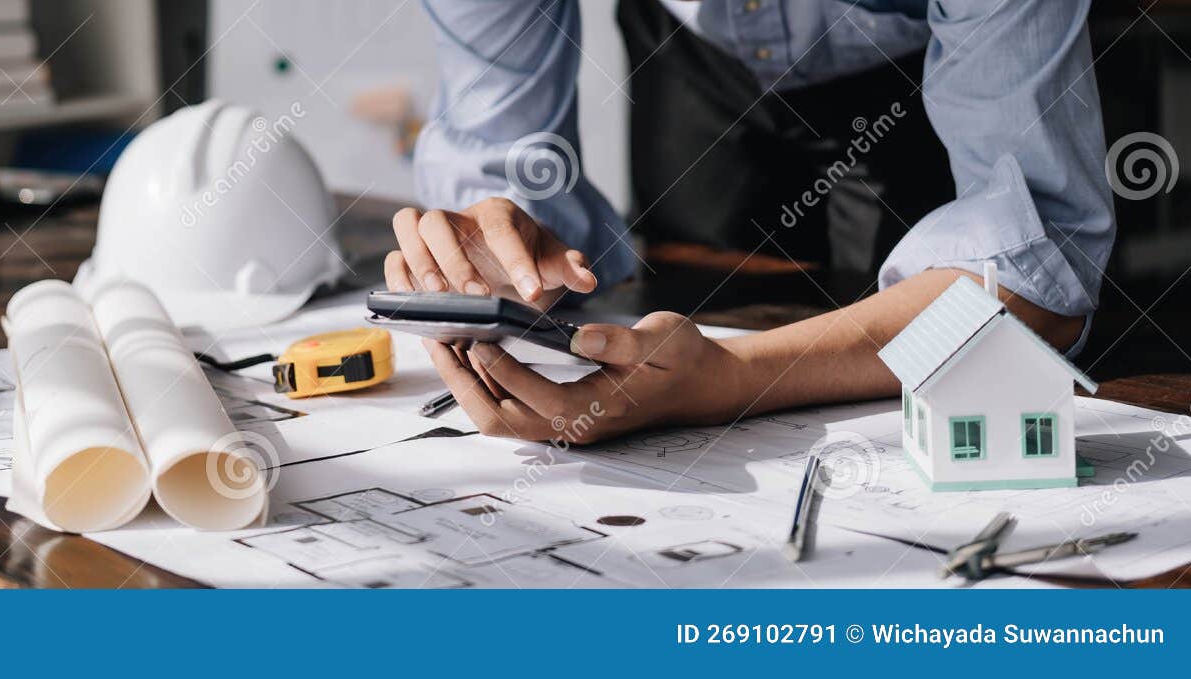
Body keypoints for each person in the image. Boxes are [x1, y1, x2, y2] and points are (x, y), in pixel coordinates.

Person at [384, 0, 1114, 443]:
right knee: (692, 309)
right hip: (700, 61)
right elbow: (497, 141)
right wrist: (499, 246)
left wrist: (731, 379)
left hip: (919, 59)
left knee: (956, 382)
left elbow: (1034, 275)